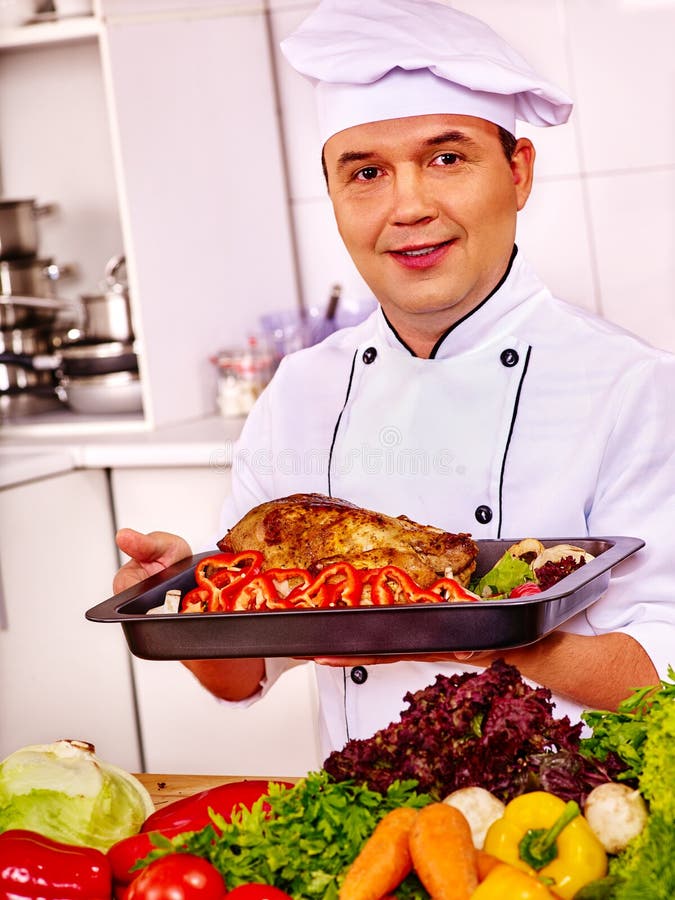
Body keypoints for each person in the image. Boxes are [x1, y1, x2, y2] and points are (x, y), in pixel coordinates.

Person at [114, 0, 675, 757]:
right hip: (367, 832)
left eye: (446, 158)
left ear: (517, 172)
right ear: (335, 198)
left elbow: (660, 676)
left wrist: (477, 633)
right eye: (366, 172)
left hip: (557, 839)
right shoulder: (301, 394)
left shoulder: (633, 387)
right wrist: (187, 595)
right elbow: (238, 676)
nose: (408, 207)